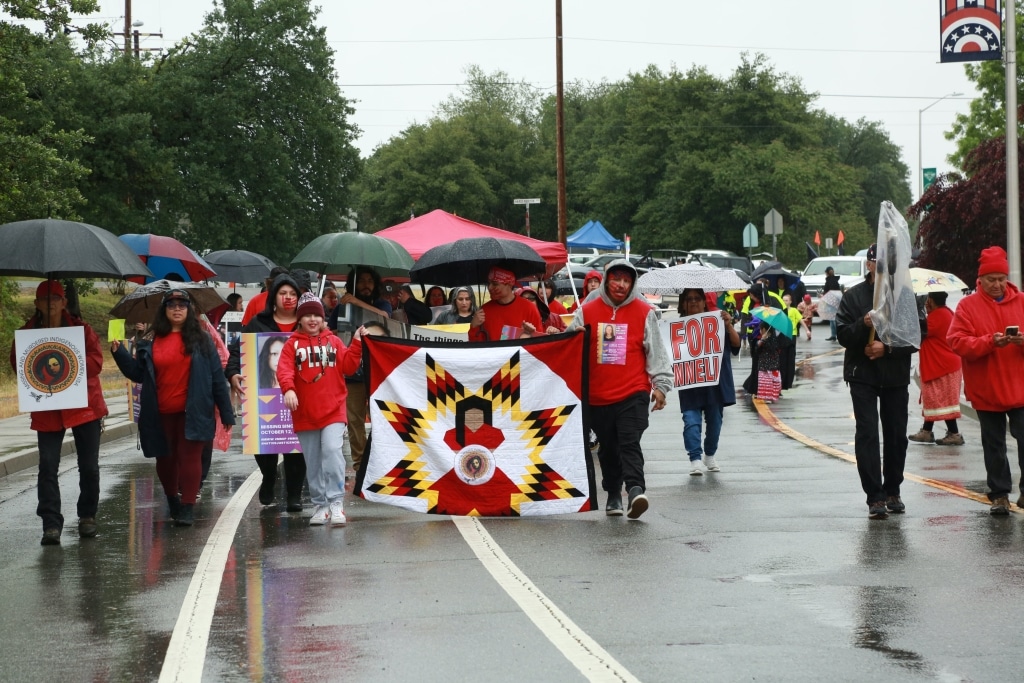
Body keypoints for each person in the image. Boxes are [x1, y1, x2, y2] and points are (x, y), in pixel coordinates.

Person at [111, 289, 235, 527]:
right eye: (171, 305)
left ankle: (188, 506)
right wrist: (120, 354)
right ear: (164, 310)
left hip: (195, 411)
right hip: (159, 413)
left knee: (190, 458)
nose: (177, 309)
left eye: (182, 305)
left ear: (189, 310)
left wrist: (226, 412)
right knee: (165, 460)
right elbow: (138, 374)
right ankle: (172, 500)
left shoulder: (202, 339)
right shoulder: (150, 341)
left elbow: (217, 378)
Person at [566, 259, 672, 519]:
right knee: (609, 448)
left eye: (627, 280)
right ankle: (613, 493)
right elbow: (566, 345)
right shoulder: (586, 310)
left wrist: (661, 385)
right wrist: (574, 336)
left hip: (633, 392)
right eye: (616, 279)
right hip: (597, 397)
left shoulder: (644, 312)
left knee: (629, 442)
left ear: (632, 284)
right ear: (606, 280)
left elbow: (656, 352)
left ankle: (635, 490)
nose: (621, 285)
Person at [10, 280, 108, 545]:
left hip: (85, 406)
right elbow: (19, 366)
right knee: (47, 465)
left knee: (89, 466)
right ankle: (51, 523)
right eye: (45, 299)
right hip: (47, 407)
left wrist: (70, 355)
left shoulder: (82, 331)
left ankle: (87, 515)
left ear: (64, 302)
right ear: (37, 304)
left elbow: (97, 363)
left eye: (55, 298)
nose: (50, 303)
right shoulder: (27, 334)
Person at [836, 243, 918, 519]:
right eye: (878, 264)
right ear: (869, 265)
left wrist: (888, 349)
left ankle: (893, 489)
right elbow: (843, 335)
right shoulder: (853, 296)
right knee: (868, 433)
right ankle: (875, 496)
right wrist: (864, 324)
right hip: (863, 375)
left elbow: (917, 336)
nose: (882, 270)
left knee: (896, 435)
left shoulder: (904, 296)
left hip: (894, 376)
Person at [947, 246, 1024, 515]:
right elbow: (957, 342)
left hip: (1020, 388)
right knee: (994, 445)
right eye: (991, 279)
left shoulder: (1022, 301)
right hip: (986, 389)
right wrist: (989, 342)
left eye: (1001, 279)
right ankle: (999, 494)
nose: (997, 284)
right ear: (980, 279)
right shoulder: (967, 306)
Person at [276, 293, 365, 527]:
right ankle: (320, 505)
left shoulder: (334, 341)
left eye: (317, 315)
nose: (313, 319)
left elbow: (349, 366)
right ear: (299, 319)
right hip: (304, 413)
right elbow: (284, 370)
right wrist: (289, 390)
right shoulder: (291, 344)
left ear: (323, 318)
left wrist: (356, 343)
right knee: (313, 460)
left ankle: (336, 502)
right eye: (307, 315)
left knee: (332, 451)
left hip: (334, 410)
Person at [226, 272, 306, 511]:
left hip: (301, 395)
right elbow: (237, 353)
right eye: (283, 293)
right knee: (264, 446)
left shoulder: (307, 323)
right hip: (263, 397)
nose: (288, 298)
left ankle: (294, 495)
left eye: (292, 293)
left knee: (298, 446)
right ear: (274, 297)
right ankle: (269, 476)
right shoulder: (257, 323)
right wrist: (233, 374)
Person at [677, 288, 741, 476]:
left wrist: (728, 325)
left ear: (705, 302)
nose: (693, 302)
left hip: (715, 385)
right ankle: (695, 458)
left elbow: (736, 344)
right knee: (691, 422)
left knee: (715, 423)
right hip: (690, 383)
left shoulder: (718, 322)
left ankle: (710, 454)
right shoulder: (677, 328)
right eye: (689, 299)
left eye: (698, 298)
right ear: (683, 303)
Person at [908, 291, 964, 446]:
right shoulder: (945, 313)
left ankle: (954, 433)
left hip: (942, 366)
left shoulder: (938, 316)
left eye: (927, 300)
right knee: (935, 399)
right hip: (943, 364)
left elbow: (917, 331)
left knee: (942, 401)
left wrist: (914, 310)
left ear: (931, 301)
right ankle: (927, 431)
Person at [345, 319, 390, 474]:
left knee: (381, 419)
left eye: (378, 337)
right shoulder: (353, 343)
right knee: (354, 422)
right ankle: (360, 465)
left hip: (379, 378)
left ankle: (382, 460)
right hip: (353, 379)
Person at [468, 266, 543, 341]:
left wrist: (531, 335)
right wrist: (474, 327)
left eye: (495, 284)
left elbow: (540, 342)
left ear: (509, 284)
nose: (490, 287)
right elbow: (477, 345)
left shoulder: (529, 308)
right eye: (488, 283)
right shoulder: (484, 311)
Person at [328, 266, 392, 331]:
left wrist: (357, 302)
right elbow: (329, 331)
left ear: (375, 284)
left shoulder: (382, 304)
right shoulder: (343, 307)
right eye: (361, 281)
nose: (366, 285)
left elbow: (385, 317)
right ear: (354, 284)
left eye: (370, 281)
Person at [822, 266, 843, 341]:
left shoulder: (829, 281)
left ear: (826, 273)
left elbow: (828, 291)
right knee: (833, 318)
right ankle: (835, 334)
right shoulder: (835, 280)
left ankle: (835, 334)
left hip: (831, 300)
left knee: (832, 318)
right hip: (837, 299)